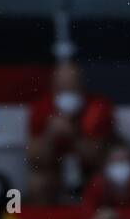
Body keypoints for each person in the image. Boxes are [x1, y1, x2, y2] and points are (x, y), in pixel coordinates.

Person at [26, 61, 115, 203]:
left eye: (72, 87)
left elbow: (97, 157)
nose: (67, 93)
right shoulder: (42, 108)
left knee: (104, 184)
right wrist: (49, 136)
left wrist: (73, 134)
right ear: (53, 88)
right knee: (37, 183)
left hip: (89, 173)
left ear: (81, 86)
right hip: (55, 171)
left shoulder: (98, 108)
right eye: (61, 88)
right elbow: (33, 159)